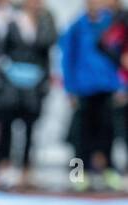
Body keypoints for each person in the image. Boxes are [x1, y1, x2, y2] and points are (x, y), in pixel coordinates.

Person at [0, 0, 56, 188]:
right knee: (6, 126)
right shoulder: (11, 21)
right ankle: (2, 167)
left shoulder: (45, 22)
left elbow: (48, 46)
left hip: (34, 82)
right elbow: (0, 51)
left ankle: (26, 169)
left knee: (30, 128)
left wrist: (43, 20)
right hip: (11, 80)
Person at [60, 0, 122, 190]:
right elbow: (67, 59)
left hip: (106, 86)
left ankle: (109, 170)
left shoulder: (111, 26)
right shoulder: (76, 27)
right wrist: (69, 88)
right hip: (83, 88)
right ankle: (77, 173)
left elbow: (120, 57)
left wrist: (121, 85)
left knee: (107, 132)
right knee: (80, 135)